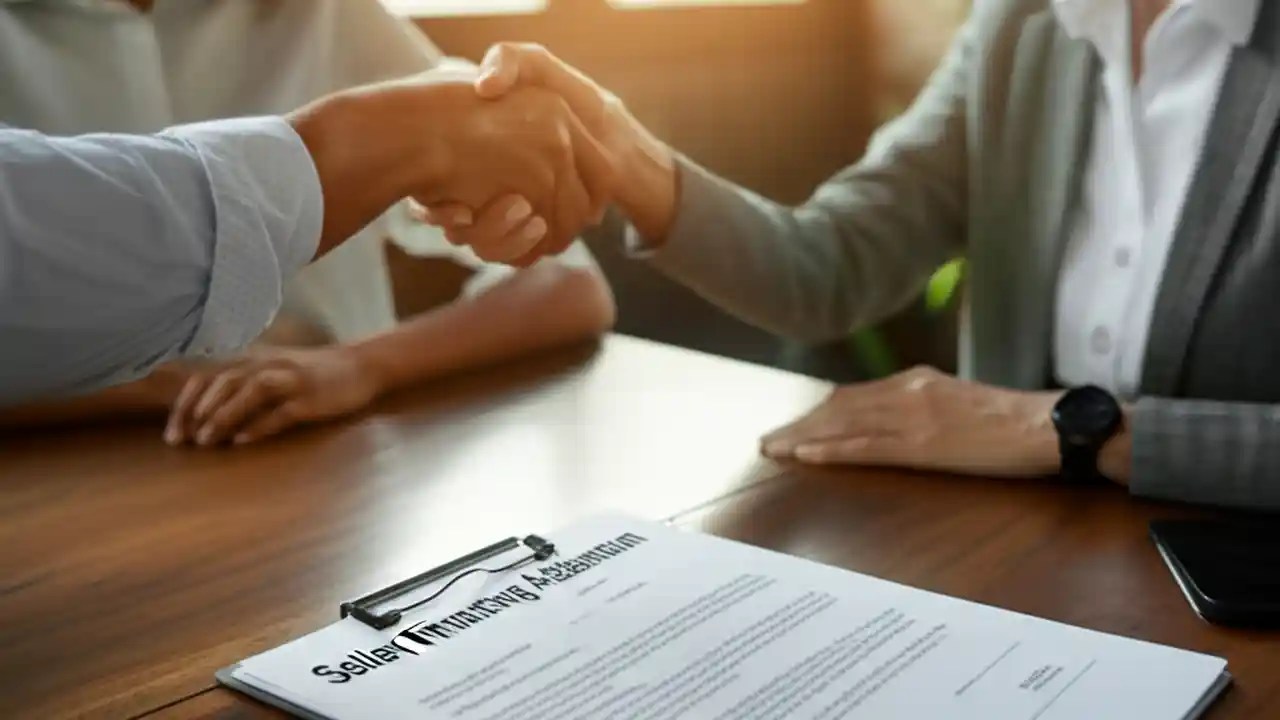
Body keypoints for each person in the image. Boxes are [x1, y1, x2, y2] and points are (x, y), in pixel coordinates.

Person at [429, 0, 1280, 510]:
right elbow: (827, 269)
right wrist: (624, 156)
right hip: (1018, 549)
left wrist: (1052, 428)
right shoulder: (1023, 22)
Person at [0, 0, 615, 447]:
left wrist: (360, 365)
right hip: (90, 484)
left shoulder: (322, 15)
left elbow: (570, 282)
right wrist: (171, 384)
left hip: (347, 455)